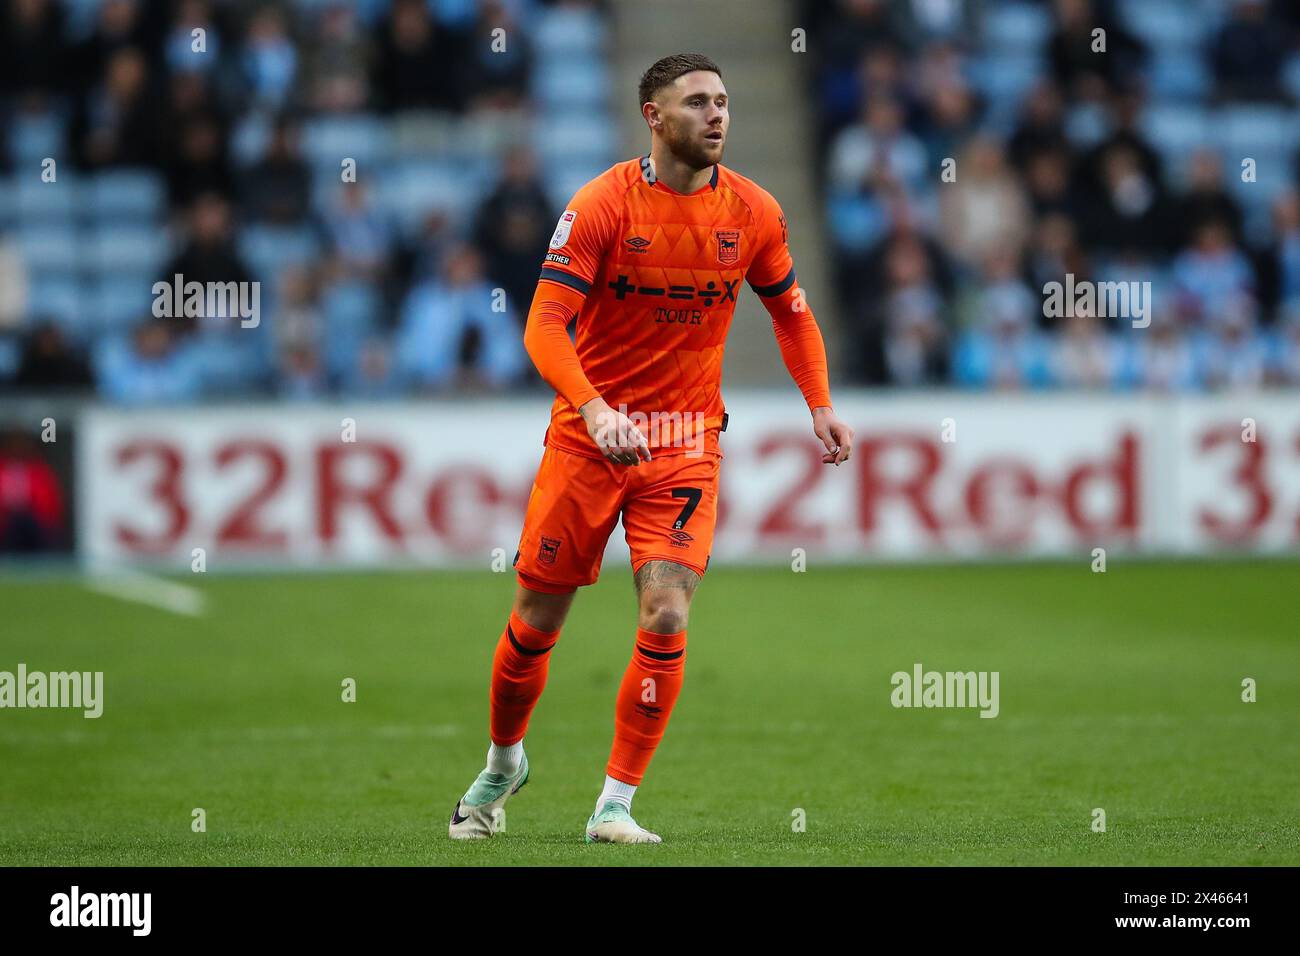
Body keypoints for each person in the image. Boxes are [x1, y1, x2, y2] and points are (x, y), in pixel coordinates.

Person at [448, 54, 854, 845]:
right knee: (535, 620)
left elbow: (792, 315)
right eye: (697, 102)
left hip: (684, 441)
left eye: (725, 102)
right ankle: (503, 762)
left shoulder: (757, 213)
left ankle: (615, 804)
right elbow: (543, 326)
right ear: (654, 116)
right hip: (588, 438)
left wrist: (821, 404)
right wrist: (596, 411)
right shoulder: (602, 204)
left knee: (666, 613)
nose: (717, 115)